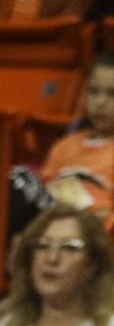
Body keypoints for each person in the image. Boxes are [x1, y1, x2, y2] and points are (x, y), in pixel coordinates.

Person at [42, 52, 114, 213]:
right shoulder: (63, 147)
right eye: (93, 92)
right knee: (18, 178)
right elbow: (44, 196)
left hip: (96, 230)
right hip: (54, 225)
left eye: (112, 94)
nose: (100, 102)